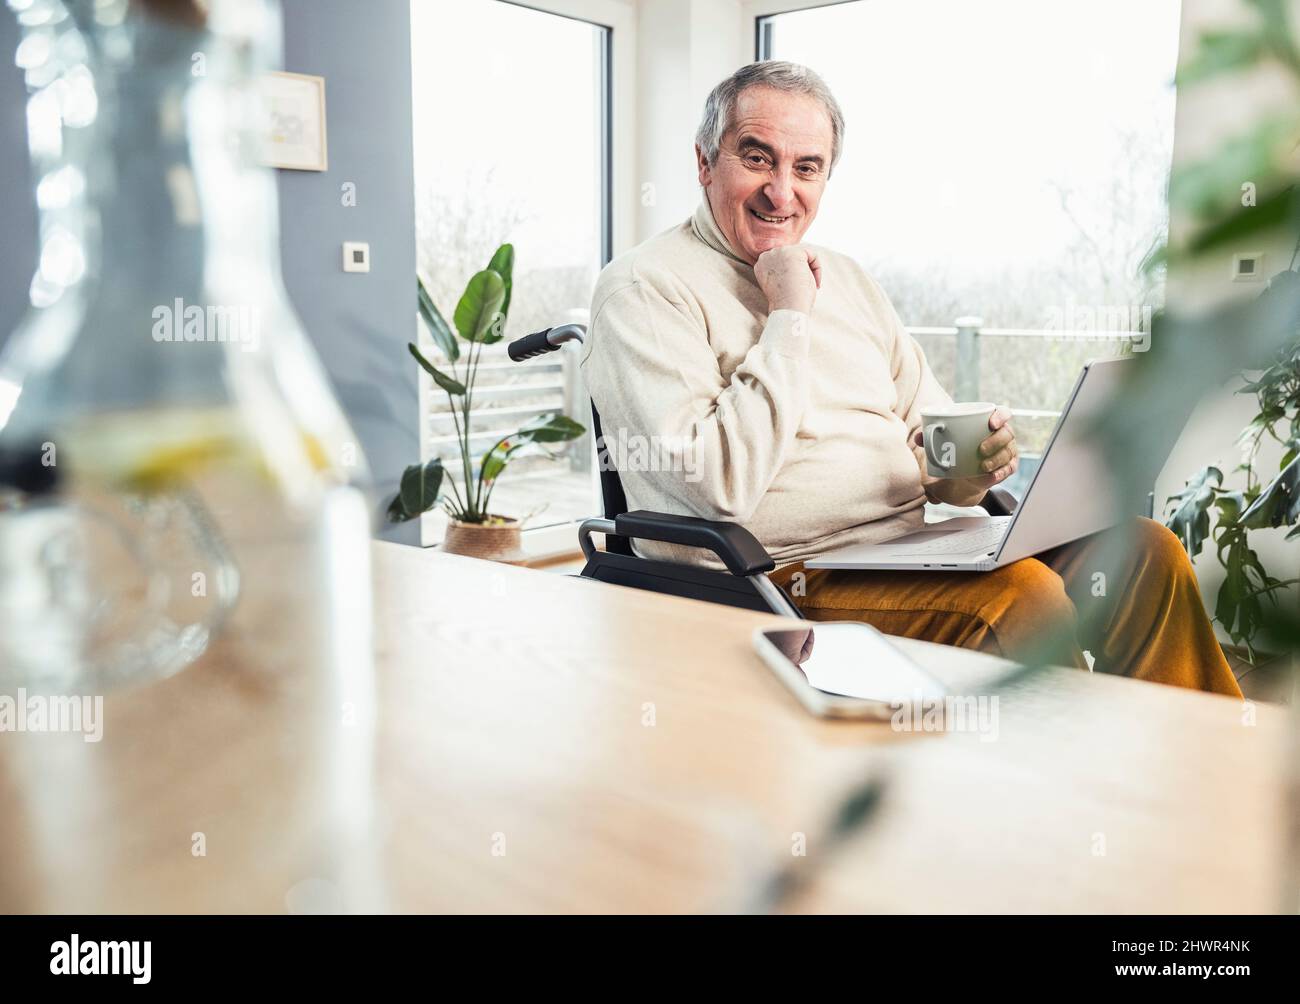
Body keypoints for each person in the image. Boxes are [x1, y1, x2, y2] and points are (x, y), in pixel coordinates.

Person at [581, 60, 1239, 696]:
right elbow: (717, 487)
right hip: (782, 576)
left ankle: (1199, 782)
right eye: (757, 158)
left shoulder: (850, 279)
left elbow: (934, 448)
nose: (783, 191)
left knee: (1146, 552)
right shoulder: (644, 287)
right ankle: (1067, 801)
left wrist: (973, 470)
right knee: (1021, 602)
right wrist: (788, 314)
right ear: (705, 163)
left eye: (806, 168)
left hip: (915, 548)